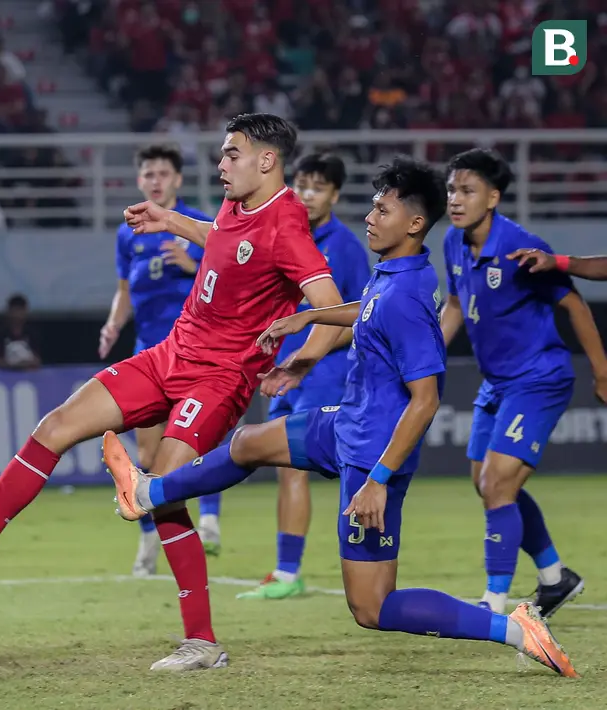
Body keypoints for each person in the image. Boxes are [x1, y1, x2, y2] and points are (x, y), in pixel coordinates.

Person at [0, 113, 346, 671]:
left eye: (231, 153)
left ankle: (202, 643)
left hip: (220, 378)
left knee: (161, 491)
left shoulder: (288, 225)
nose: (220, 163)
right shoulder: (236, 202)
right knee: (55, 427)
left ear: (266, 160)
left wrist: (301, 360)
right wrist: (172, 220)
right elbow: (225, 241)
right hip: (170, 353)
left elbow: (331, 307)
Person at [102, 156, 577, 678]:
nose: (370, 217)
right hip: (348, 422)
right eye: (373, 206)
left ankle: (515, 629)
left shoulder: (407, 299)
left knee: (371, 607)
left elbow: (425, 400)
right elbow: (368, 307)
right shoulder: (397, 272)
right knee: (247, 443)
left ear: (415, 223)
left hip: (372, 454)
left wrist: (377, 481)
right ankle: (148, 493)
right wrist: (309, 318)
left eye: (383, 210)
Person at [440, 148, 605, 616]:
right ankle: (555, 578)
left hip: (538, 378)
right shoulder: (453, 241)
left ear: (493, 197)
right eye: (451, 190)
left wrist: (602, 371)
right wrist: (425, 356)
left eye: (467, 190)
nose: (455, 199)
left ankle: (494, 601)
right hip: (496, 383)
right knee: (488, 484)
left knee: (496, 483)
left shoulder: (520, 247)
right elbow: (455, 304)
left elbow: (574, 305)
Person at [238, 153, 371, 600]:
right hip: (285, 372)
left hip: (327, 374)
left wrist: (309, 355)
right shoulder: (282, 234)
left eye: (319, 187)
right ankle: (287, 571)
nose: (308, 195)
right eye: (303, 185)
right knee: (285, 469)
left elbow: (362, 316)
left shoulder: (346, 247)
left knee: (311, 468)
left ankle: (302, 571)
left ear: (335, 194)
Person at [98, 143, 215, 575]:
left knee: (195, 442)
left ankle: (210, 521)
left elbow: (227, 279)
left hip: (196, 352)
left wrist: (190, 265)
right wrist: (113, 324)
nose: (156, 180)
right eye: (149, 174)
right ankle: (149, 540)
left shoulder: (198, 224)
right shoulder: (128, 232)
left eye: (163, 173)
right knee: (147, 452)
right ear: (139, 180)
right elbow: (124, 290)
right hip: (149, 353)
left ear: (178, 180)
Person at [0, 294, 41, 370]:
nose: (18, 315)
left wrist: (27, 364)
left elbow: (37, 360)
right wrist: (16, 366)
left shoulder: (32, 333)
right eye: (15, 310)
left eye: (21, 310)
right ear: (9, 311)